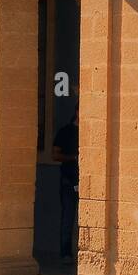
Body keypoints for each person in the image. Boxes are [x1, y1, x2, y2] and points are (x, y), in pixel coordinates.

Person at [53, 106, 80, 263]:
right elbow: (55, 154)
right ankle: (66, 253)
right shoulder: (65, 131)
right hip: (69, 180)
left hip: (87, 181)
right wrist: (73, 158)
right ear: (77, 112)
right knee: (68, 217)